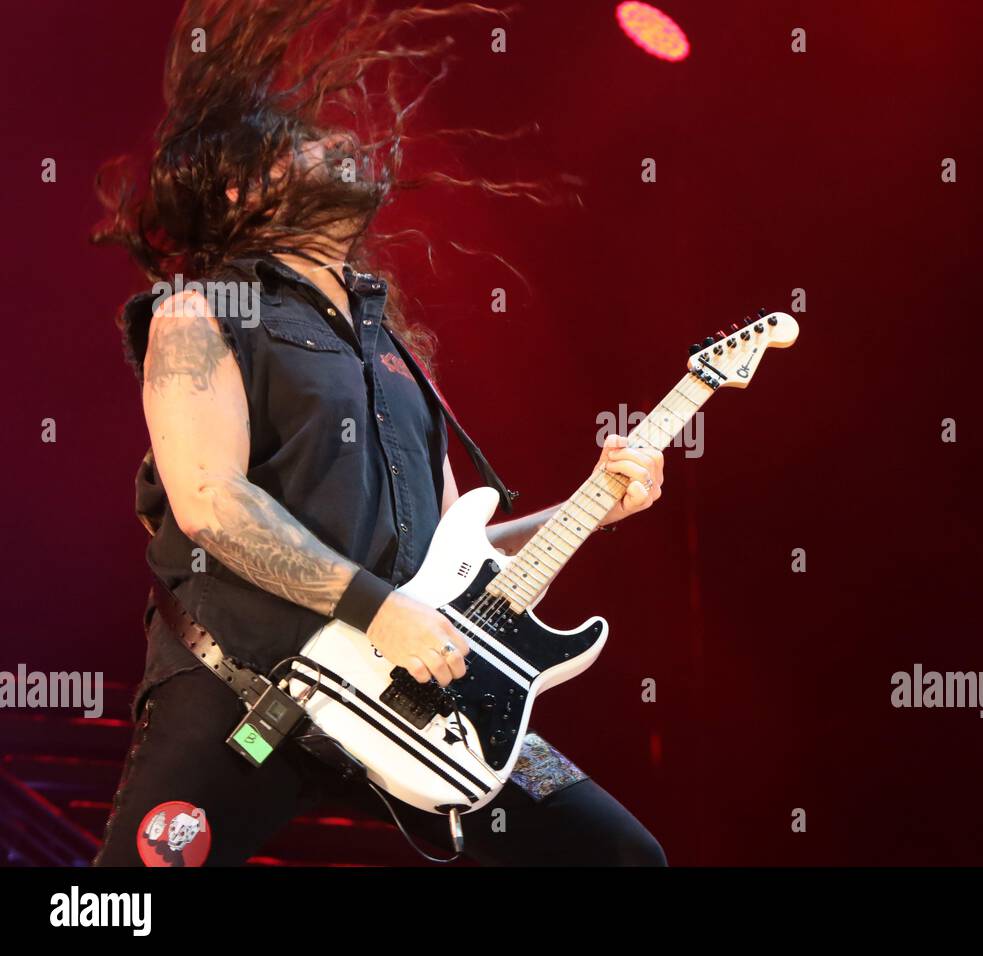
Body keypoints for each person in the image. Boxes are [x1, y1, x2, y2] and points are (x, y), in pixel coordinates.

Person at [91, 0, 667, 867]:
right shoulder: (200, 311)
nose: (337, 145)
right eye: (302, 143)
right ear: (245, 189)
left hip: (415, 701)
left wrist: (592, 509)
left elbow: (452, 560)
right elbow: (210, 502)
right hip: (247, 692)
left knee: (623, 856)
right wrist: (377, 608)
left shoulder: (394, 351)